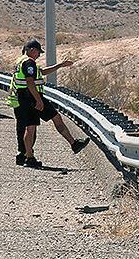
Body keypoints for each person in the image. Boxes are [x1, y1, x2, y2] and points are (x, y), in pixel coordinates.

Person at [9, 39, 89, 167]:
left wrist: (60, 65)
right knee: (30, 128)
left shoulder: (23, 61)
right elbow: (30, 82)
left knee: (55, 118)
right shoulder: (28, 62)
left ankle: (74, 143)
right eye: (38, 52)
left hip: (29, 97)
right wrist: (38, 100)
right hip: (31, 97)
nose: (39, 55)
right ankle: (29, 157)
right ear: (31, 50)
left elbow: (41, 72)